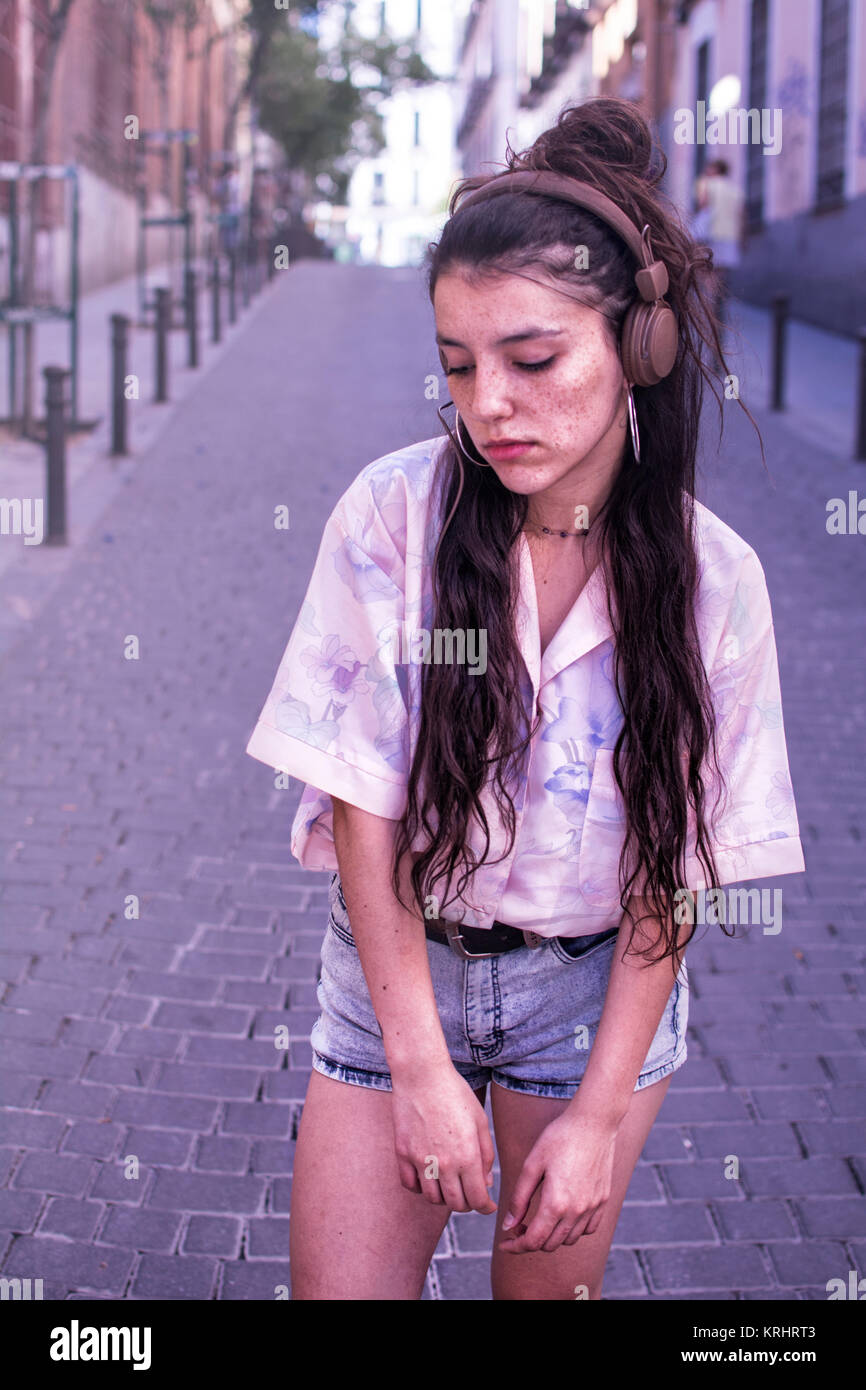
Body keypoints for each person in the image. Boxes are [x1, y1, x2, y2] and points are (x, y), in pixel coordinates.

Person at [245, 98, 805, 1300]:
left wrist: (599, 1117)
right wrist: (417, 1062)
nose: (488, 402)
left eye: (532, 358)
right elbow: (362, 805)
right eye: (457, 365)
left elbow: (674, 863)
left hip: (590, 1000)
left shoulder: (718, 588)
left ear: (635, 349)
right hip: (397, 970)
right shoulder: (391, 519)